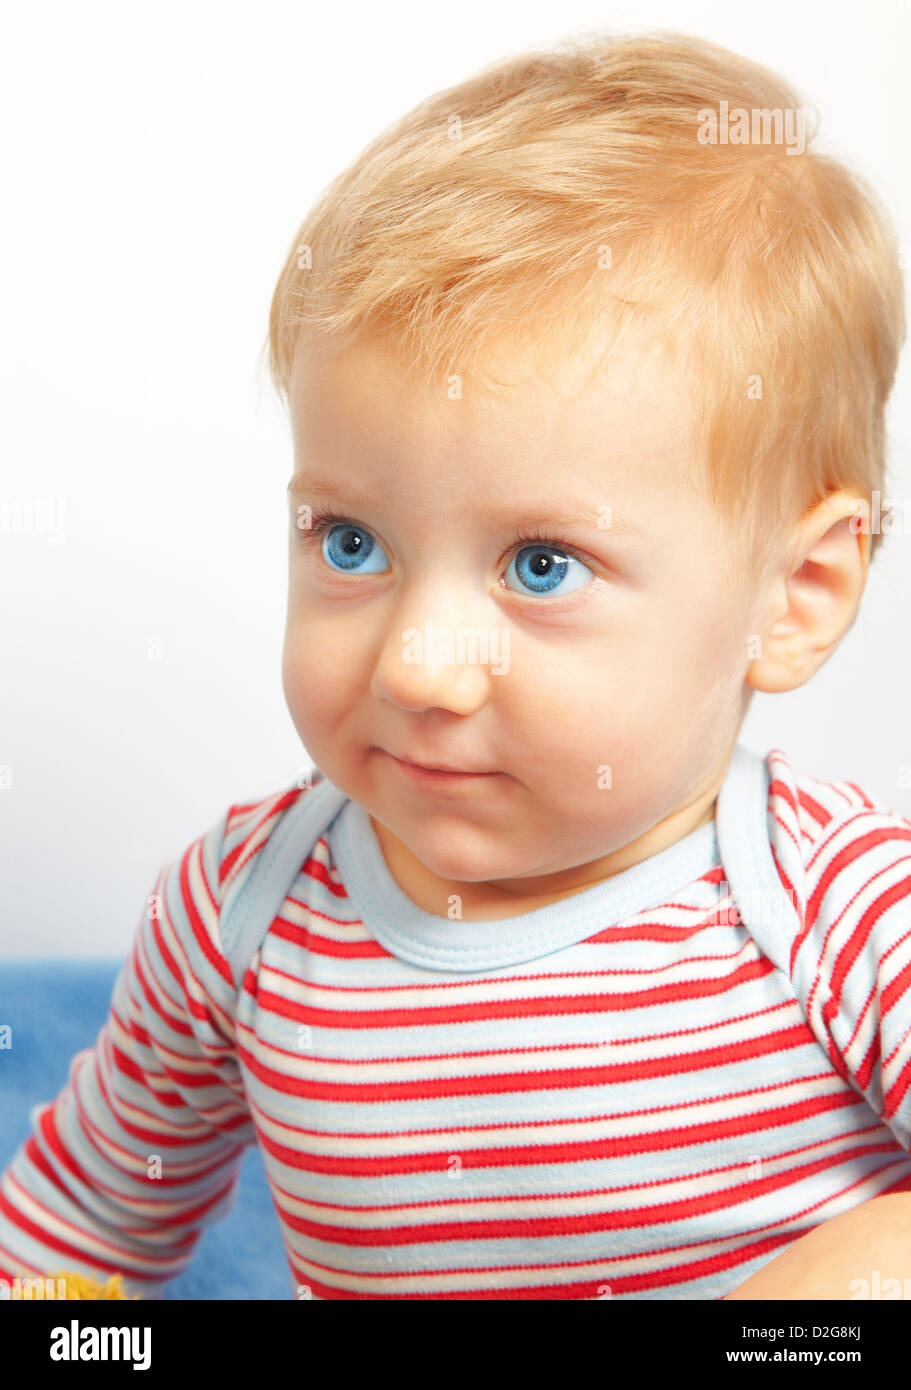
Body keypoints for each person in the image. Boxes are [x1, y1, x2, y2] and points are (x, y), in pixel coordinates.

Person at [2, 27, 909, 1301]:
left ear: (794, 597)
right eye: (353, 541)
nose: (418, 667)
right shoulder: (241, 915)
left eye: (540, 565)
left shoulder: (843, 912)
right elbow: (72, 1237)